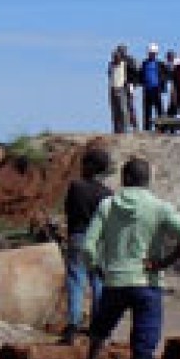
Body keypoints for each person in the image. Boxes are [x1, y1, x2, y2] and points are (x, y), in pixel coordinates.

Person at [77, 157, 180, 359]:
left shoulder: (107, 206)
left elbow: (88, 247)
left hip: (115, 282)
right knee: (144, 345)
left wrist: (97, 267)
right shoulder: (160, 208)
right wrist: (162, 263)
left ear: (125, 179)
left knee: (99, 331)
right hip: (148, 284)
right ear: (147, 179)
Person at [58, 147, 112, 344]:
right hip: (100, 240)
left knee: (76, 280)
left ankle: (73, 325)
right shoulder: (107, 193)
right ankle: (97, 328)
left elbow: (68, 210)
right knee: (98, 282)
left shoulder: (76, 187)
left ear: (89, 166)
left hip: (78, 236)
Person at [140, 45, 166, 131]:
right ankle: (147, 129)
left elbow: (166, 74)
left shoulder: (160, 64)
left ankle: (161, 128)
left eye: (153, 53)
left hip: (156, 89)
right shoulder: (144, 63)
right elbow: (140, 74)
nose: (152, 55)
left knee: (159, 109)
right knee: (147, 110)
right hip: (147, 89)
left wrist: (163, 86)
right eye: (150, 53)